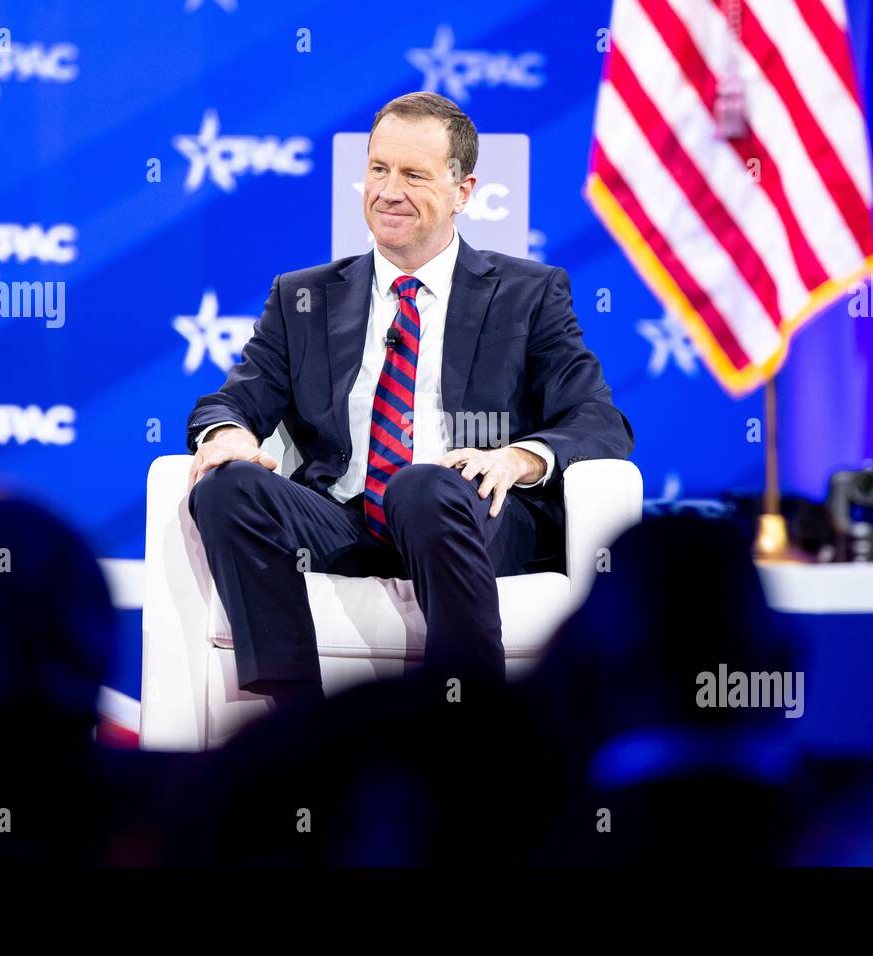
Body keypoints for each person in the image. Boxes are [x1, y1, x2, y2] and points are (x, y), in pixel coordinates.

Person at [185, 92, 633, 710]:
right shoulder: (302, 297)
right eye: (378, 169)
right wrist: (228, 434)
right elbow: (234, 399)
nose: (388, 191)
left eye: (414, 175)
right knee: (224, 486)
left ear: (463, 190)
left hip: (467, 514)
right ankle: (297, 717)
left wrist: (516, 459)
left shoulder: (527, 293)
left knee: (422, 487)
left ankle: (466, 721)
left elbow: (598, 419)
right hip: (344, 519)